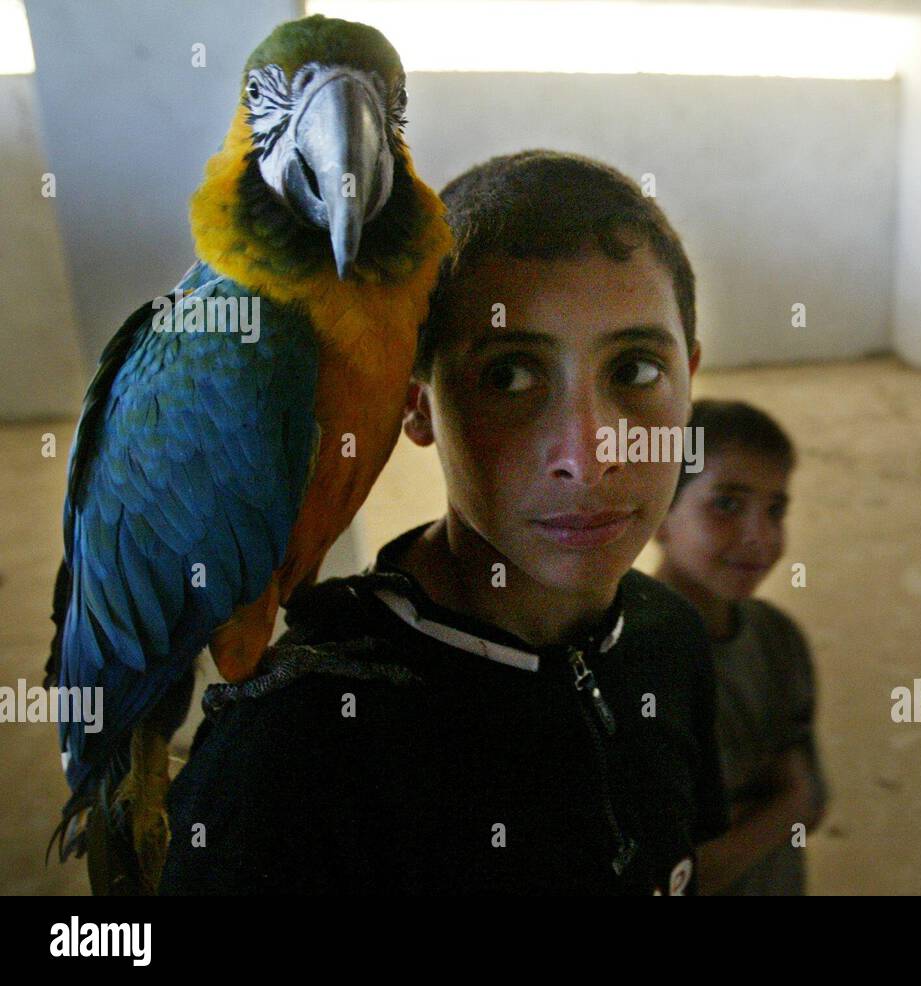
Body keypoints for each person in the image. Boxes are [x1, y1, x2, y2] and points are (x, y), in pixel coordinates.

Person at [158, 150, 728, 894]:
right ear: (418, 405)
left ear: (690, 377)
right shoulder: (298, 748)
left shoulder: (670, 638)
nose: (590, 459)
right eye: (510, 375)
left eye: (637, 371)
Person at [653, 399, 828, 895]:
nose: (762, 537)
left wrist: (783, 808)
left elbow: (812, 804)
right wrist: (784, 804)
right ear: (658, 513)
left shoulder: (777, 637)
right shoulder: (628, 667)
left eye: (776, 509)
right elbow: (664, 882)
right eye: (726, 503)